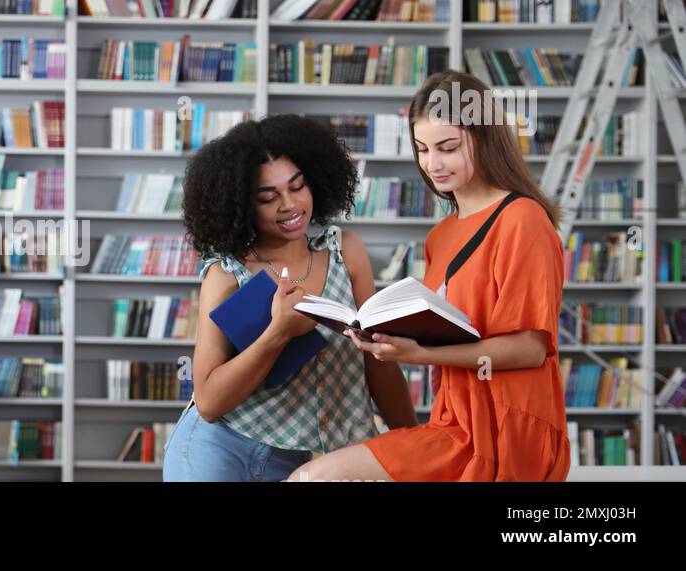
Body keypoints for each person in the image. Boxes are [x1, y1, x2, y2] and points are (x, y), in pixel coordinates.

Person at [287, 70, 570, 482]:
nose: (432, 164)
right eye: (422, 149)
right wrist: (389, 337)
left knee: (314, 477)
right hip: (452, 423)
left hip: (505, 431)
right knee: (313, 475)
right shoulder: (442, 235)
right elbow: (456, 331)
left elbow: (528, 349)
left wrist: (417, 354)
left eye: (448, 147)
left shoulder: (523, 220)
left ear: (486, 137)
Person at [163, 114, 417, 482]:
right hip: (221, 451)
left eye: (297, 187)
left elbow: (379, 366)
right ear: (242, 206)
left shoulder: (345, 251)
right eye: (268, 198)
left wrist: (412, 442)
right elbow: (209, 401)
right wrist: (277, 333)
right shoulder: (228, 273)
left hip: (308, 462)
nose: (289, 205)